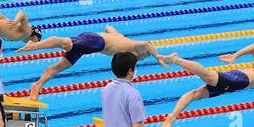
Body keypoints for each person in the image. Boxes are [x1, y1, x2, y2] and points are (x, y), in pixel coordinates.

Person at [156, 46, 254, 127]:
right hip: (240, 80)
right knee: (207, 76)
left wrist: (236, 56)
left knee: (194, 94)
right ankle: (176, 60)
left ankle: (171, 117)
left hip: (236, 83)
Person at [21, 25, 161, 100]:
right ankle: (33, 45)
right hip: (96, 42)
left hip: (93, 42)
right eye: (145, 56)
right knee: (64, 43)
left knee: (59, 67)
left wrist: (115, 36)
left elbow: (108, 26)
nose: (143, 59)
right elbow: (146, 43)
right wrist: (159, 57)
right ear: (142, 52)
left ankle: (37, 86)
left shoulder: (123, 40)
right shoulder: (134, 46)